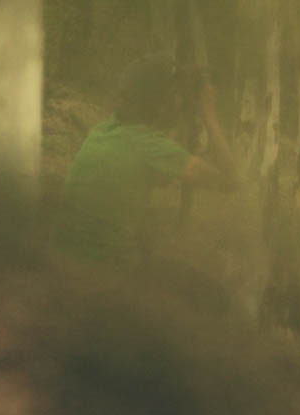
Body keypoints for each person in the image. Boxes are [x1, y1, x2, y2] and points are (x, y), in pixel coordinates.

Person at [53, 58, 238, 265]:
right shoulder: (148, 146)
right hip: (105, 274)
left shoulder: (104, 130)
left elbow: (161, 177)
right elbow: (231, 182)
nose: (179, 101)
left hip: (66, 264)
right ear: (159, 103)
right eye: (175, 95)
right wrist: (209, 115)